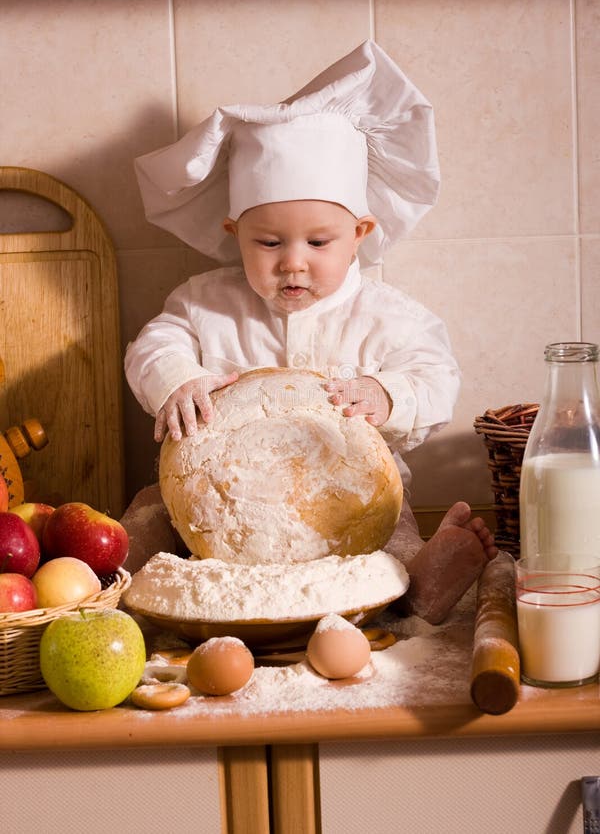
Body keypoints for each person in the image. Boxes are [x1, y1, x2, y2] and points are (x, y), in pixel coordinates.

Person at [123, 40, 497, 620]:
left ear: (360, 233)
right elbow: (155, 344)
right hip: (218, 511)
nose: (292, 262)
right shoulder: (205, 302)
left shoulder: (386, 315)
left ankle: (421, 587)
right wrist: (177, 380)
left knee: (391, 536)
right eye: (269, 242)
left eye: (319, 242)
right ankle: (115, 582)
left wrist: (387, 395)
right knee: (149, 512)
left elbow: (435, 375)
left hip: (349, 505)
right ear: (234, 233)